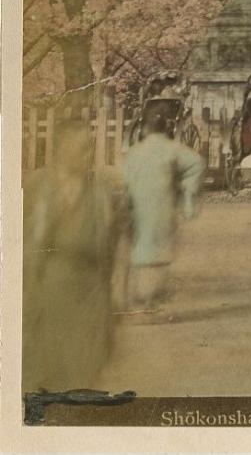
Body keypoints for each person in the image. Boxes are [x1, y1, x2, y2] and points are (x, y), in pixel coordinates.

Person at [22, 116, 121, 392]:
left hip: (89, 292)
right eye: (82, 148)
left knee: (86, 368)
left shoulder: (101, 194)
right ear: (63, 148)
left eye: (89, 147)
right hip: (49, 288)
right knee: (45, 366)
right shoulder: (38, 185)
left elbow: (111, 248)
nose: (88, 155)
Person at [120, 109, 206, 312]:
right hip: (162, 203)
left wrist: (127, 195)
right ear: (165, 129)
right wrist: (186, 187)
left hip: (138, 203)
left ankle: (140, 297)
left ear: (145, 129)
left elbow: (126, 177)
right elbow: (197, 164)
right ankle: (150, 298)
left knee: (139, 247)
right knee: (158, 250)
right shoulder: (173, 148)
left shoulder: (135, 151)